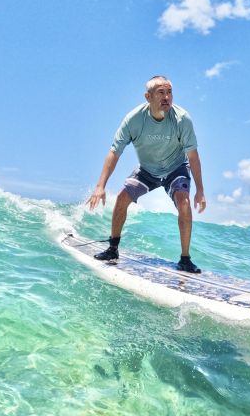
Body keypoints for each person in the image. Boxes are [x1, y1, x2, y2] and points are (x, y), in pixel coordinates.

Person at [86, 75, 206, 273]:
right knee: (122, 198)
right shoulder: (134, 120)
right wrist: (100, 186)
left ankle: (185, 259)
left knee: (183, 202)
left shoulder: (182, 119)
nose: (166, 97)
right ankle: (113, 249)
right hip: (147, 170)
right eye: (161, 92)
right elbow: (114, 152)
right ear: (148, 97)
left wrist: (200, 190)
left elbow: (193, 156)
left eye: (169, 92)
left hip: (175, 168)